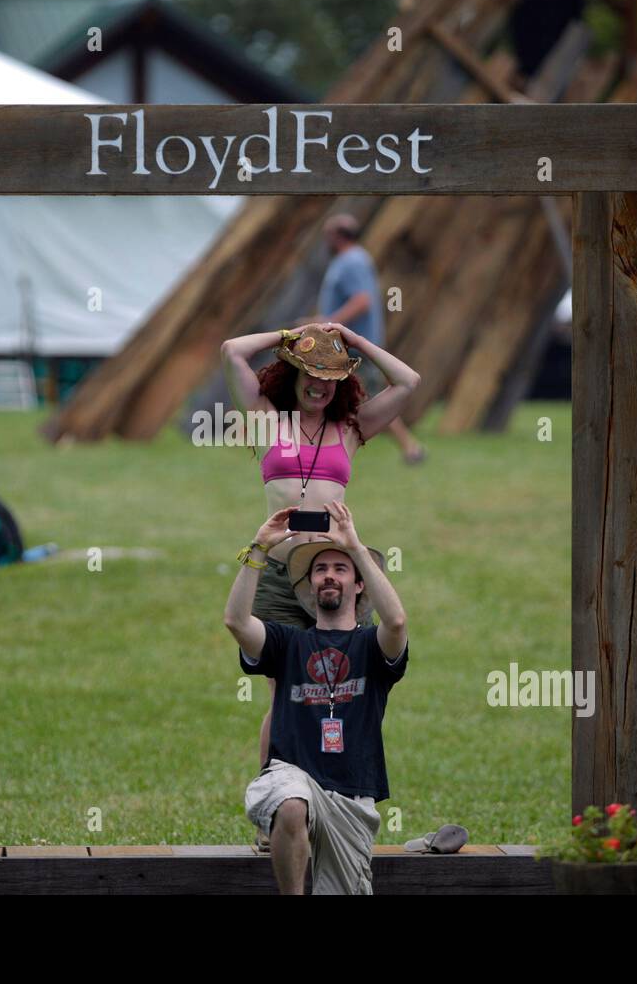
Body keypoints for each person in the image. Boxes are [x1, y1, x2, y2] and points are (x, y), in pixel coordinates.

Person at [219, 320, 419, 784]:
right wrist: (291, 334)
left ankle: (339, 787)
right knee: (283, 695)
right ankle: (275, 800)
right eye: (311, 374)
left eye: (331, 378)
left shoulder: (351, 427)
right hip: (279, 571)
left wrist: (354, 341)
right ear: (293, 372)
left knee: (350, 689)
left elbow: (408, 382)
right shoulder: (266, 417)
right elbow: (232, 350)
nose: (320, 386)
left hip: (334, 575)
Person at [224, 501, 409, 895]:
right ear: (309, 586)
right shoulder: (287, 642)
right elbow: (236, 622)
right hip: (292, 777)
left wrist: (355, 547)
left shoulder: (370, 645)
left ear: (359, 584)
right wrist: (258, 547)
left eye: (340, 569)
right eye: (320, 570)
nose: (329, 576)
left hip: (353, 797)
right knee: (291, 802)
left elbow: (396, 622)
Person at [310, 213, 425, 465]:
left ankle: (411, 448)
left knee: (371, 399)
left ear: (338, 236)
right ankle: (322, 448)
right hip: (343, 345)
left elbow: (362, 301)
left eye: (328, 234)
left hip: (353, 348)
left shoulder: (353, 261)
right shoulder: (348, 260)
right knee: (331, 396)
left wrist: (329, 323)